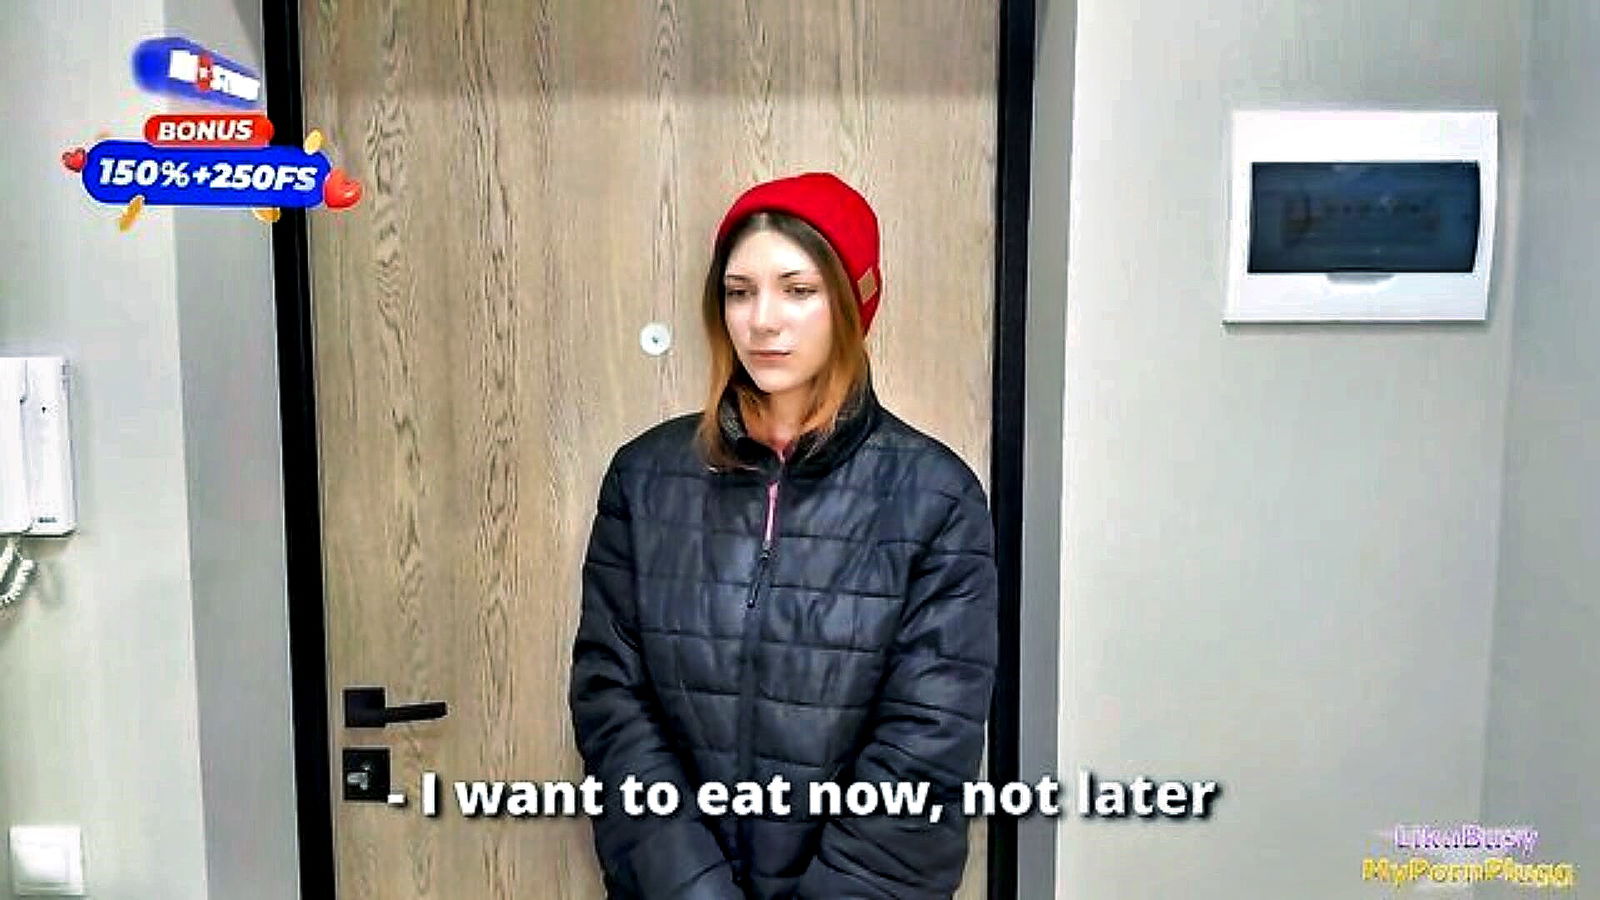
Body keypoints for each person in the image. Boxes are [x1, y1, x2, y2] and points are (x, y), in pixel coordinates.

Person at [569, 172, 998, 899]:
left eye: (798, 290)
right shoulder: (645, 477)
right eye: (740, 292)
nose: (763, 320)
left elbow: (925, 746)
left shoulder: (935, 497)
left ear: (853, 303)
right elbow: (612, 700)